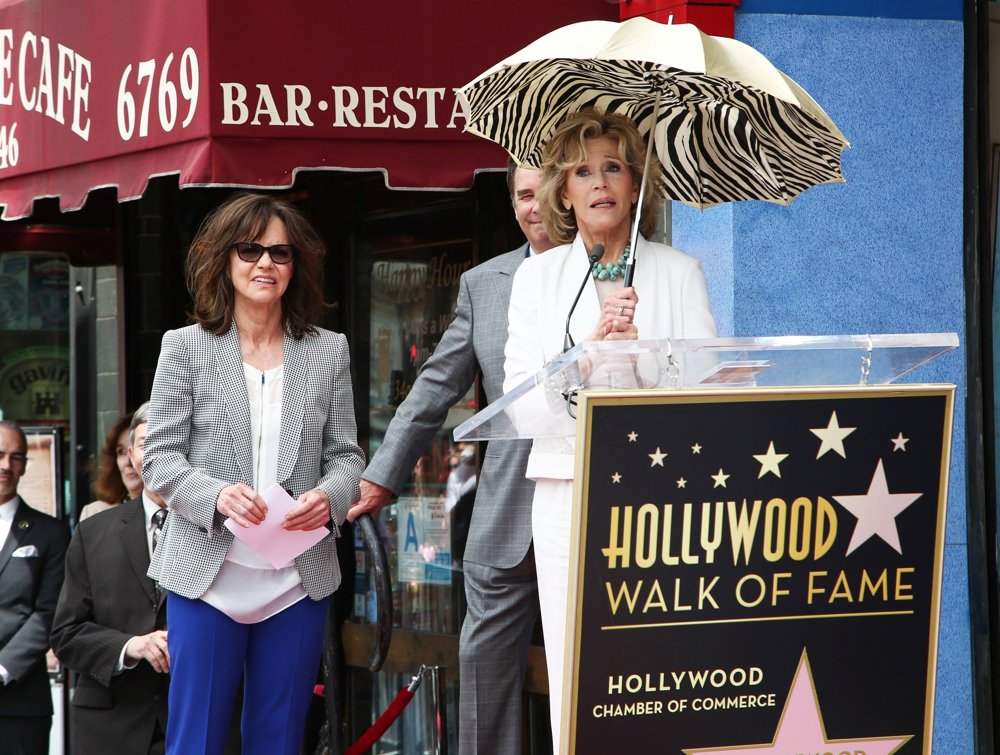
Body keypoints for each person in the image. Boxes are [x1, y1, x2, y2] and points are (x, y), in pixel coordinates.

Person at [503, 109, 718, 751]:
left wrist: (643, 356)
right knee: (579, 665)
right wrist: (588, 353)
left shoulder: (679, 272)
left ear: (635, 185)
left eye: (614, 168)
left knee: (658, 663)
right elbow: (518, 407)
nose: (600, 183)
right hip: (568, 493)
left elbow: (707, 395)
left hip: (663, 495)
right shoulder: (537, 279)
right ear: (562, 193)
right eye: (582, 171)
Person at [142, 192, 366, 755]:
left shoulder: (327, 351)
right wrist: (217, 495)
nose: (265, 263)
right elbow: (159, 458)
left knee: (279, 738)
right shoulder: (185, 348)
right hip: (207, 576)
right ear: (225, 259)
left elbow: (347, 456)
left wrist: (330, 497)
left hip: (297, 577)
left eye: (280, 253)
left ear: (295, 267)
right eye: (250, 249)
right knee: (196, 738)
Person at [349, 162, 556, 755]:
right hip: (506, 512)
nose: (534, 206)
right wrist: (383, 477)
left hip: (597, 505)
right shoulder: (485, 283)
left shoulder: (614, 271)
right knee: (483, 674)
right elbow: (434, 387)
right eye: (522, 195)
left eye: (544, 192)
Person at [51, 402, 169, 755]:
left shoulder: (220, 529)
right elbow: (66, 634)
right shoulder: (92, 532)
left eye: (172, 439)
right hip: (111, 725)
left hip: (197, 721)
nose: (160, 451)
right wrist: (128, 646)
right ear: (131, 456)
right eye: (149, 442)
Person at [0, 420, 71, 754]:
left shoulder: (50, 532)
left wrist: (2, 667)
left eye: (16, 457)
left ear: (26, 465)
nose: (6, 465)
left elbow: (49, 611)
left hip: (21, 703)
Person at [80, 411, 144, 521]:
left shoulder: (175, 512)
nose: (128, 462)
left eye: (137, 449)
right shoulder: (95, 513)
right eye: (122, 452)